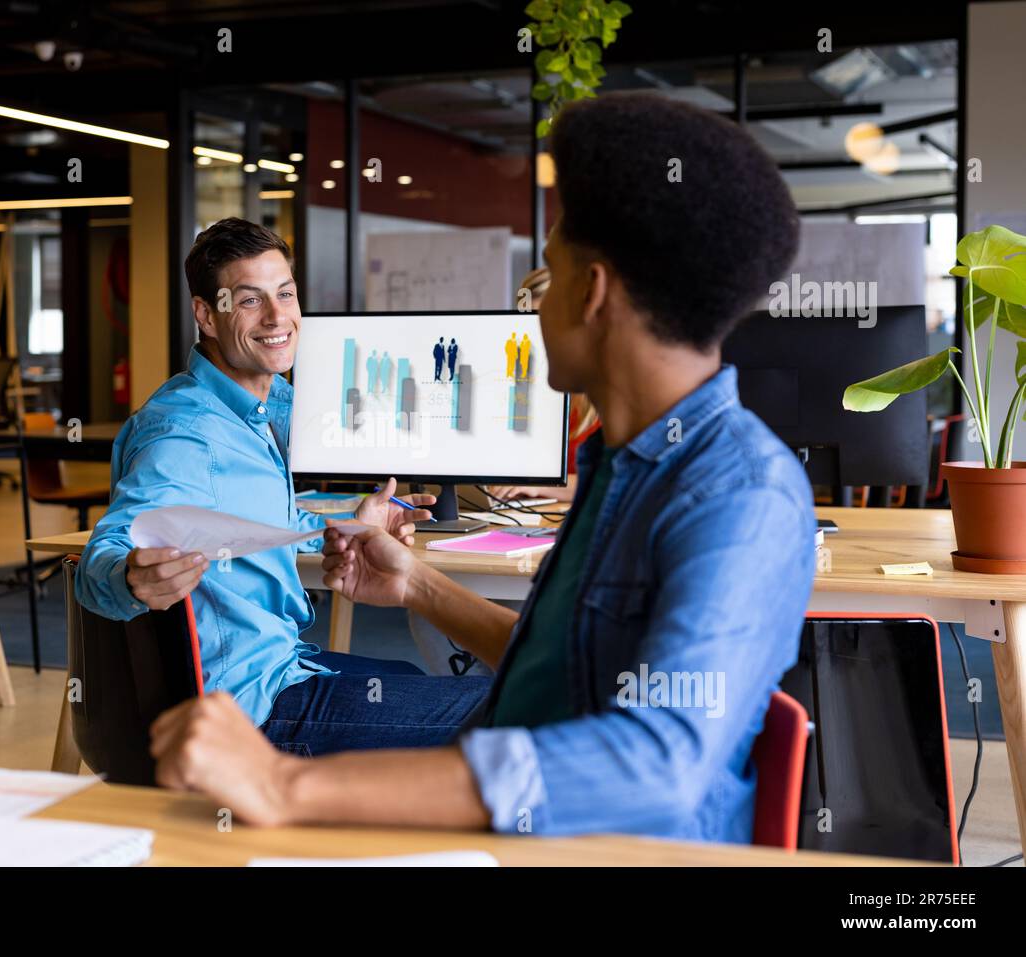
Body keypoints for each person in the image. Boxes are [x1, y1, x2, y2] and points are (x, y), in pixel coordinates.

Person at [146, 93, 814, 841]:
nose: (530, 312)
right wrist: (418, 584)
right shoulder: (620, 465)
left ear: (592, 294)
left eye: (549, 279)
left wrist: (285, 781)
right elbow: (573, 667)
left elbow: (655, 762)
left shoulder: (739, 493)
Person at [77, 217, 492, 756]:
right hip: (251, 714)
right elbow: (105, 553)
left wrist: (347, 524)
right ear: (207, 314)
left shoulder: (255, 411)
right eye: (250, 301)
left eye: (286, 294)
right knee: (498, 704)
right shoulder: (185, 435)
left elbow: (256, 521)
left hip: (285, 665)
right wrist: (130, 579)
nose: (278, 317)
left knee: (410, 675)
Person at [490, 267, 599, 505]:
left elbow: (608, 483)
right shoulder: (521, 387)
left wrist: (539, 484)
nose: (537, 334)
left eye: (543, 322)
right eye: (525, 320)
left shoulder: (605, 395)